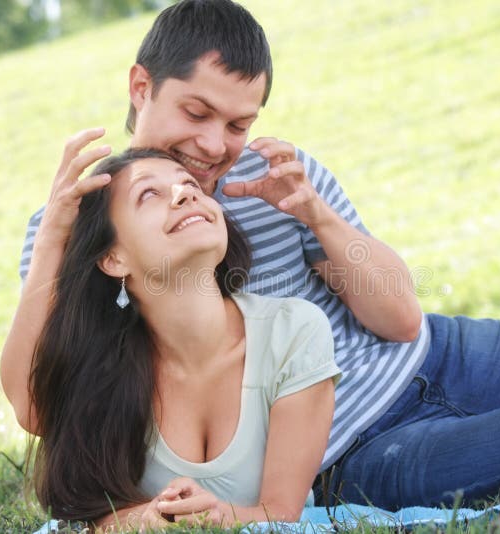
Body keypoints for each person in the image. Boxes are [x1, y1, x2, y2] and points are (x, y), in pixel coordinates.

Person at [2, 0, 500, 516]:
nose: (216, 146)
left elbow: (399, 320)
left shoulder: (281, 183)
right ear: (141, 87)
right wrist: (53, 243)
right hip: (356, 451)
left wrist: (316, 215)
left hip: (441, 355)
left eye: (239, 124)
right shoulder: (82, 223)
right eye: (197, 113)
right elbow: (37, 409)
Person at [23, 147, 340, 528]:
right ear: (113, 258)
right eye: (149, 194)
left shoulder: (293, 332)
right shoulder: (99, 365)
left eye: (190, 184)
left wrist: (219, 516)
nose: (186, 194)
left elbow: (282, 514)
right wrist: (149, 519)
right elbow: (87, 515)